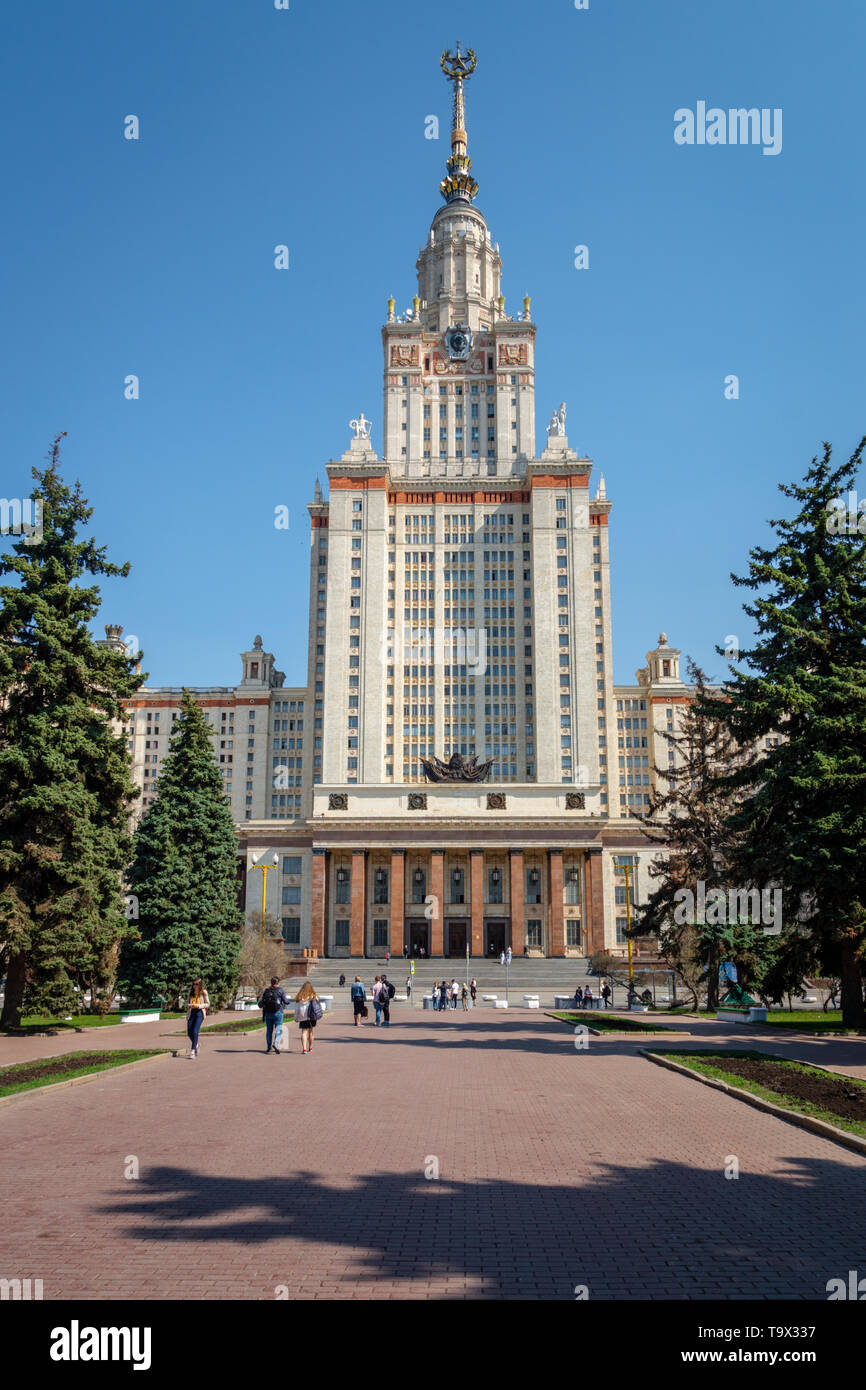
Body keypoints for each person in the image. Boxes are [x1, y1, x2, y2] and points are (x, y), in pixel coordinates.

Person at [259, 975, 290, 1053]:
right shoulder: (280, 991)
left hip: (268, 1013)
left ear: (271, 983)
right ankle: (276, 1043)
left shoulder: (266, 991)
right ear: (278, 983)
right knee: (279, 1030)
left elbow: (262, 1001)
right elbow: (286, 1001)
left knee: (269, 1031)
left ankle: (269, 1047)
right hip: (278, 1012)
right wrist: (288, 1002)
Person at [294, 981, 322, 1054]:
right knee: (311, 1032)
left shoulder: (299, 997)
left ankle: (304, 1049)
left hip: (302, 1016)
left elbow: (296, 1008)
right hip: (312, 1016)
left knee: (304, 1032)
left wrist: (296, 1017)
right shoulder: (313, 996)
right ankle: (310, 1047)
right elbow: (317, 1006)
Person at [186, 978, 209, 1058]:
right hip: (191, 1012)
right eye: (193, 984)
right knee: (189, 1032)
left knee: (195, 1031)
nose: (194, 986)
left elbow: (207, 1004)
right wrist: (190, 1005)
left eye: (196, 984)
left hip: (199, 1012)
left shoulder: (204, 992)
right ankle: (196, 1044)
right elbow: (187, 1003)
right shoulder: (191, 992)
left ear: (200, 985)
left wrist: (199, 1006)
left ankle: (192, 1051)